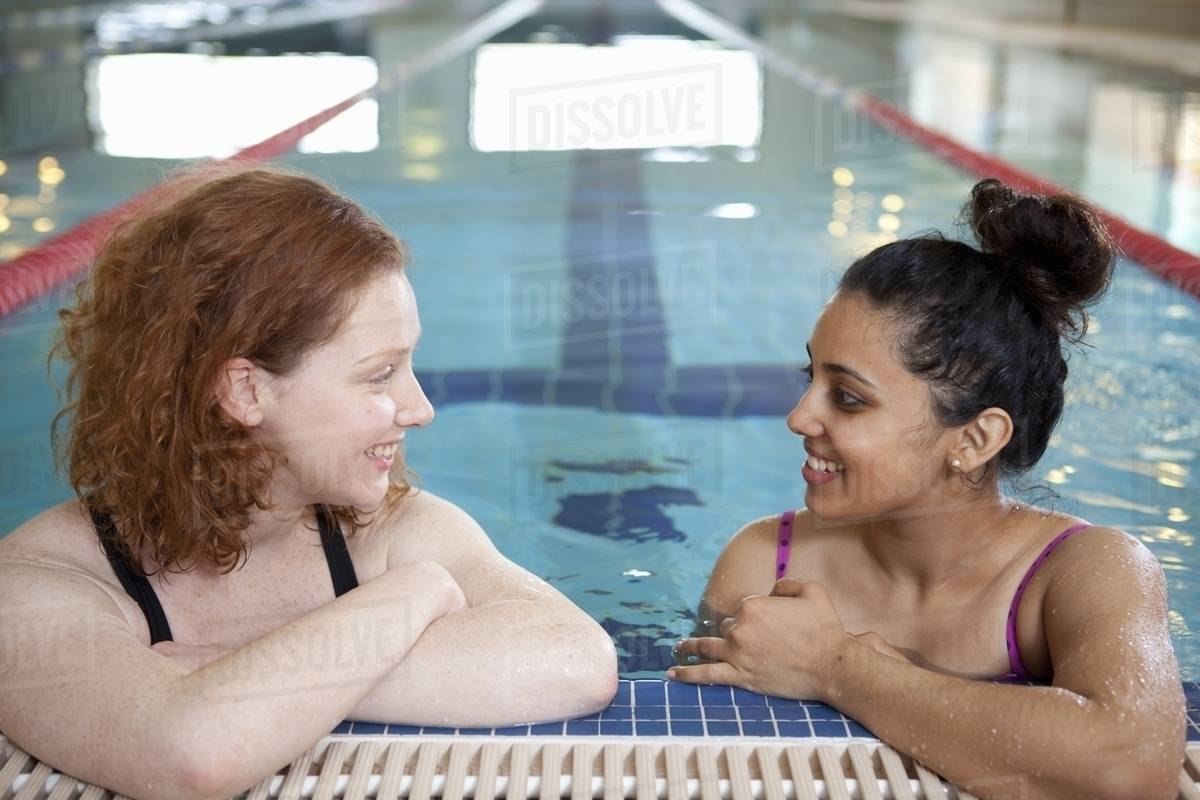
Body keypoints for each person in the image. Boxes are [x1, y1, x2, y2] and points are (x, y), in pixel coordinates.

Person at [0, 166, 617, 800]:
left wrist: (228, 674)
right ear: (246, 390)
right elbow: (191, 755)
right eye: (380, 375)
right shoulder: (40, 582)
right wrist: (416, 595)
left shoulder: (392, 533)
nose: (420, 407)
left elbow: (577, 660)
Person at [669, 179, 1185, 800]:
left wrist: (834, 667)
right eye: (812, 377)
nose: (800, 417)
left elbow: (1134, 763)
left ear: (973, 440)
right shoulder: (762, 561)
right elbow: (690, 754)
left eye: (849, 399)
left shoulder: (1083, 571)